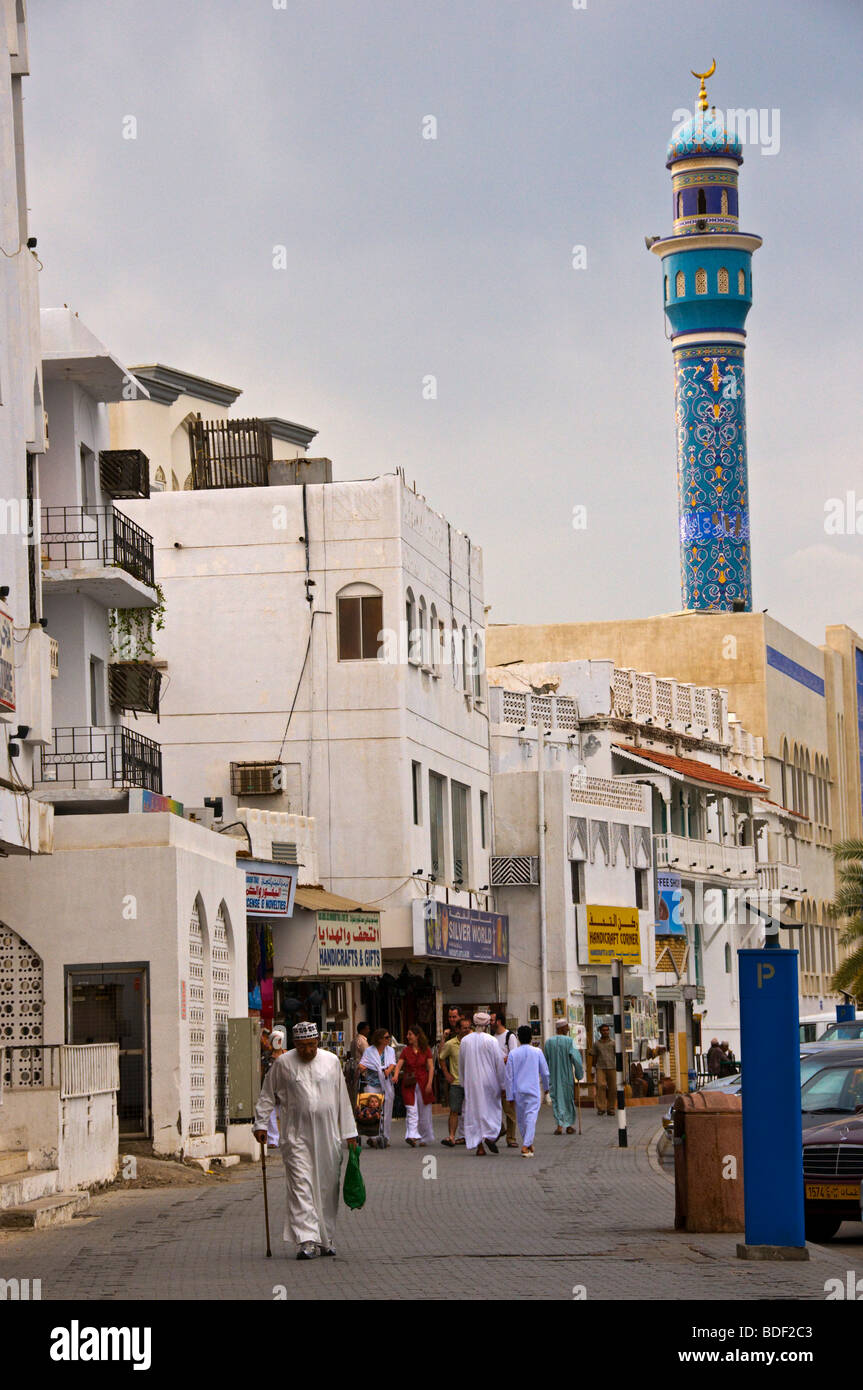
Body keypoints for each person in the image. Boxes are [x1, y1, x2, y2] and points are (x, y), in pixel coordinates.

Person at [253, 1020, 359, 1261]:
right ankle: (306, 1240)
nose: (307, 1051)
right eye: (301, 1046)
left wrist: (350, 1132)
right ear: (295, 1044)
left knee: (327, 1186)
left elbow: (342, 1097)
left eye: (311, 1045)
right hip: (296, 1135)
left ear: (317, 1042)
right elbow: (267, 1095)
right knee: (301, 1185)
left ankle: (326, 1237)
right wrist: (260, 1124)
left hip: (327, 1134)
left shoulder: (331, 1061)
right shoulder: (283, 1064)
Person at [459, 1011, 506, 1156]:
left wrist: (463, 1081)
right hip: (489, 1082)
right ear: (487, 1025)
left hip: (472, 1082)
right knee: (491, 1111)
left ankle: (479, 1146)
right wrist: (503, 1084)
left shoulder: (465, 1041)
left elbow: (461, 1063)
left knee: (475, 1112)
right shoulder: (491, 1041)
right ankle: (491, 1135)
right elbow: (499, 1064)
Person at [506, 1024, 550, 1156]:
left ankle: (528, 1143)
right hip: (533, 1090)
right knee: (531, 1117)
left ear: (518, 1038)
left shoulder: (513, 1054)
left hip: (518, 1090)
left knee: (521, 1119)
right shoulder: (537, 1052)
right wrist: (547, 1087)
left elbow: (509, 1077)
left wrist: (509, 1095)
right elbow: (545, 1072)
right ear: (531, 1037)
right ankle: (526, 1145)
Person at [393, 1026, 435, 1146]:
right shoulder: (406, 1050)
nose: (408, 1037)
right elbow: (399, 1064)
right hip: (409, 1083)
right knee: (411, 1109)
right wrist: (396, 1075)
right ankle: (412, 1135)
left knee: (424, 1111)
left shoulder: (425, 1049)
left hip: (423, 1082)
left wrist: (430, 1083)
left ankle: (424, 1137)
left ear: (417, 1036)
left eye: (410, 1034)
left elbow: (430, 1067)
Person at [357, 1027, 396, 1147]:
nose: (388, 1039)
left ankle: (384, 1136)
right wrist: (364, 1068)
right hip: (372, 1084)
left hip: (385, 1083)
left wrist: (387, 1071)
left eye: (389, 1037)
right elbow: (363, 1064)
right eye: (386, 1037)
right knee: (373, 1109)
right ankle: (373, 1137)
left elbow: (392, 1064)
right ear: (379, 1039)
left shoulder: (390, 1051)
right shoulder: (370, 1051)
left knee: (386, 1111)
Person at [543, 1020, 585, 1134]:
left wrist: (545, 1079)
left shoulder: (548, 1042)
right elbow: (576, 1060)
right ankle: (568, 1126)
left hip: (553, 1077)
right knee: (567, 1099)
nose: (568, 1029)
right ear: (561, 1028)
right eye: (566, 1027)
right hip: (566, 1076)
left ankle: (560, 1126)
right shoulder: (570, 1041)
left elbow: (544, 1061)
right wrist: (579, 1074)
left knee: (556, 1100)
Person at [439, 1016, 471, 1146]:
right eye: (464, 1028)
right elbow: (441, 1058)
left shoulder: (472, 1041)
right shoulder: (450, 1044)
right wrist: (446, 1074)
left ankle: (471, 1136)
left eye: (469, 1028)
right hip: (456, 1082)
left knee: (471, 1110)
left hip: (471, 1082)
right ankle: (451, 1136)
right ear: (457, 1029)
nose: (467, 1030)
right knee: (454, 1110)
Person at [492, 1013, 520, 1147]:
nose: (490, 1022)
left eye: (492, 1019)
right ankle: (500, 1129)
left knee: (509, 1109)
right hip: (494, 1078)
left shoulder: (510, 1036)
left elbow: (514, 1055)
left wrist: (503, 1060)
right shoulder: (492, 1038)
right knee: (493, 1107)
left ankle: (511, 1137)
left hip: (507, 1078)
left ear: (498, 1021)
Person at [266, 1027, 287, 1147]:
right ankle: (273, 1140)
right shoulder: (267, 1056)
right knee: (271, 1114)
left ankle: (285, 1138)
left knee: (286, 1114)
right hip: (271, 1089)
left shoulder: (287, 1055)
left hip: (284, 1088)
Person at [591, 1024, 617, 1116]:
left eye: (607, 1030)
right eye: (603, 1030)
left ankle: (611, 1108)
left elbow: (617, 1055)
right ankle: (601, 1107)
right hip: (600, 1067)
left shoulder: (613, 1043)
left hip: (612, 1067)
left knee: (612, 1088)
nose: (605, 1032)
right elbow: (594, 1056)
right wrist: (593, 1068)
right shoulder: (596, 1044)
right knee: (600, 1086)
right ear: (600, 1031)